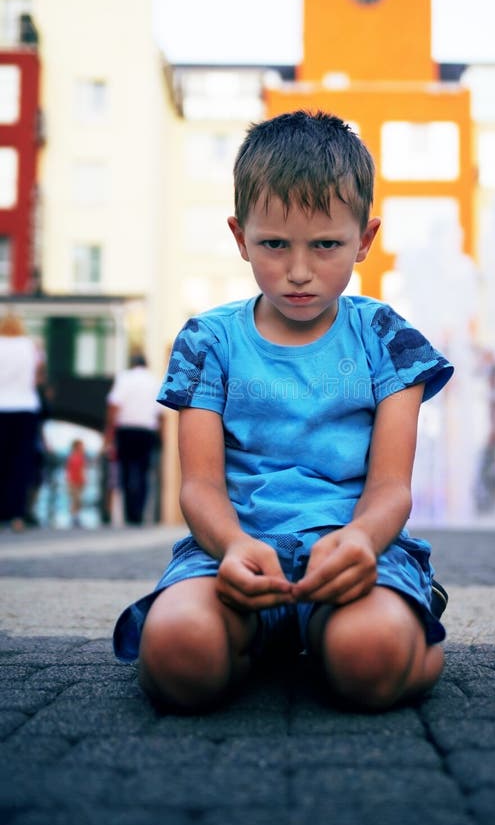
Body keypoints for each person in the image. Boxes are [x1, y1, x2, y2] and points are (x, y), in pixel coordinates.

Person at [113, 110, 454, 713]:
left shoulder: (385, 336)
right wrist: (231, 545)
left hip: (354, 548)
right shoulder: (208, 340)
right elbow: (199, 486)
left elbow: (391, 489)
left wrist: (361, 541)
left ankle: (403, 619)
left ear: (365, 240)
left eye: (326, 245)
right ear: (240, 236)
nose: (300, 271)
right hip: (233, 550)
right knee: (175, 654)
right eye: (274, 244)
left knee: (369, 658)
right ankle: (263, 638)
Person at [104, 353, 163, 526]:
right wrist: (161, 437)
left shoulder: (124, 378)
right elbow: (160, 413)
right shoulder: (154, 381)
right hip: (146, 430)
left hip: (126, 429)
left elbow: (114, 405)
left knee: (126, 470)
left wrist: (109, 432)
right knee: (143, 472)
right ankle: (138, 513)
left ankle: (129, 513)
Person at [0, 312, 45, 532]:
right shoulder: (31, 346)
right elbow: (38, 376)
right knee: (20, 464)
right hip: (25, 407)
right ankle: (17, 515)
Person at [65, 439, 86, 527]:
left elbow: (82, 470)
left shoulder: (81, 457)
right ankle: (74, 517)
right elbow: (69, 470)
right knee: (75, 500)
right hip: (73, 482)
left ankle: (76, 516)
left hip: (80, 482)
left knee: (78, 500)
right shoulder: (72, 457)